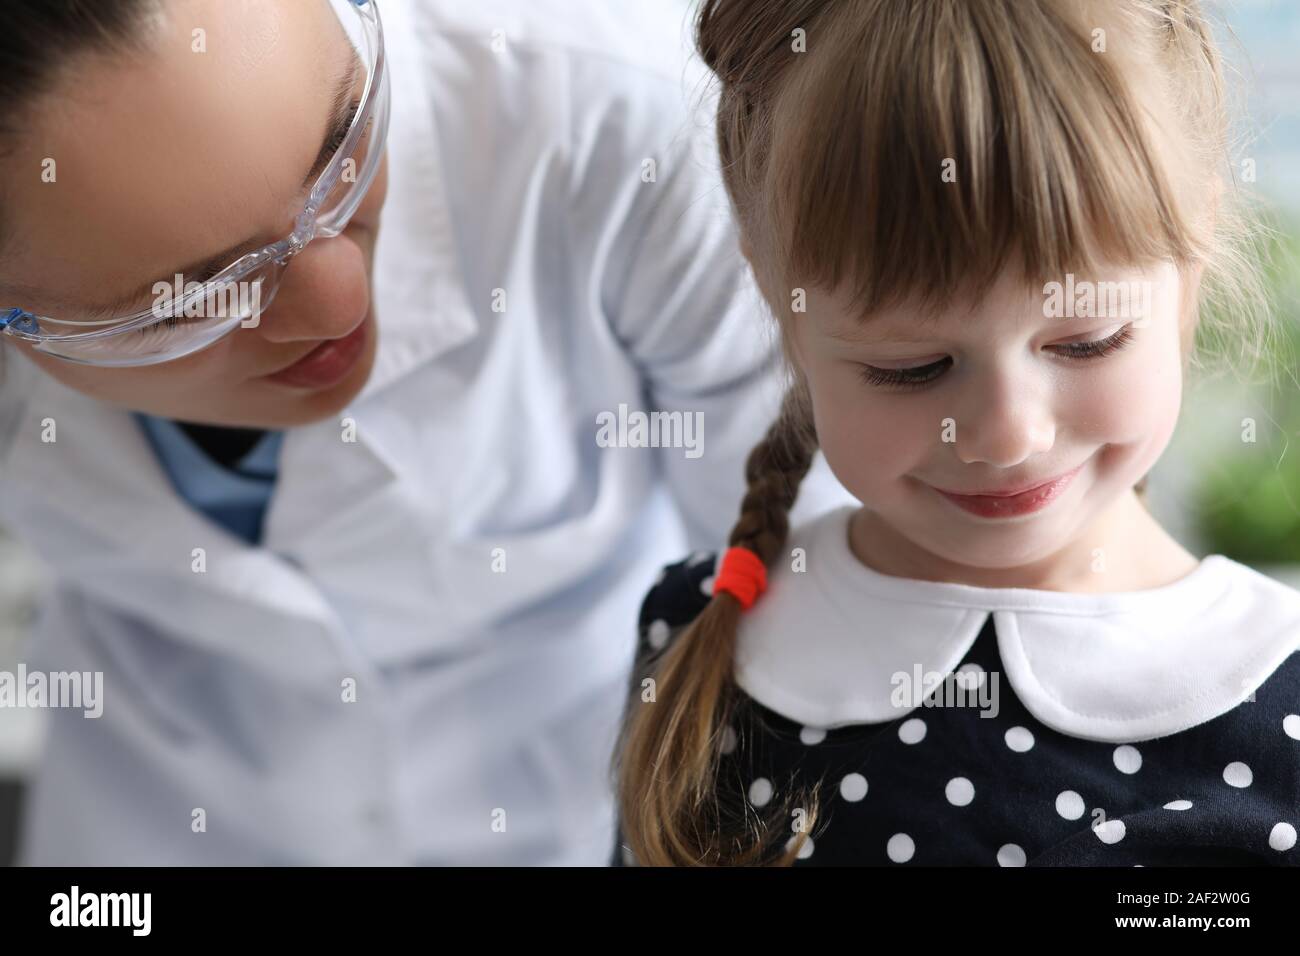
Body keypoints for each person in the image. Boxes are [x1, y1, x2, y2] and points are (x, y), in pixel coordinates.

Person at [0, 0, 848, 865]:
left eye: (342, 145)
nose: (340, 301)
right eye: (195, 299)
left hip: (583, 809)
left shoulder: (623, 122)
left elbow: (816, 602)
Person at [614, 0, 1300, 866]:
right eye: (910, 367)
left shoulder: (1280, 698)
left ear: (1190, 271)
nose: (1006, 435)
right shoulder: (705, 635)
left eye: (1085, 342)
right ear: (782, 308)